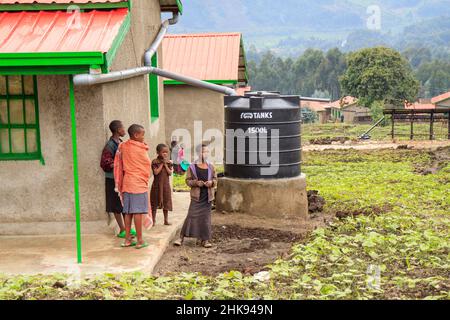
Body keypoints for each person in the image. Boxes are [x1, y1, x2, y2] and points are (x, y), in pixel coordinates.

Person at [114, 124, 151, 249]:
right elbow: (146, 164)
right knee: (138, 212)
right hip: (138, 183)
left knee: (128, 212)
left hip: (127, 183)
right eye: (142, 135)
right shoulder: (140, 148)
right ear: (136, 135)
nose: (143, 137)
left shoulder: (123, 146)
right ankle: (140, 240)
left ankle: (127, 239)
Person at [174, 144, 217, 248]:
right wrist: (196, 183)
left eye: (207, 151)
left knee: (205, 219)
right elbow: (187, 181)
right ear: (198, 153)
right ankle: (181, 237)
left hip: (207, 197)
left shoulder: (211, 166)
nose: (205, 154)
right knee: (191, 216)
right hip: (196, 197)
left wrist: (211, 183)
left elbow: (215, 179)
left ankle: (205, 240)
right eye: (203, 151)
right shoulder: (192, 167)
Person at [100, 120, 136, 238]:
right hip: (112, 179)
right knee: (116, 205)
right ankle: (122, 229)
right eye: (122, 128)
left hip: (120, 178)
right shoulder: (110, 145)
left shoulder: (120, 142)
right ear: (117, 130)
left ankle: (127, 228)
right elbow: (105, 163)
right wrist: (119, 163)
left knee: (123, 204)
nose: (124, 130)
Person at [150, 144, 173, 225]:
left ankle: (166, 220)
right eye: (163, 152)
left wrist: (166, 164)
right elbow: (156, 172)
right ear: (158, 152)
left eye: (166, 152)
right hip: (157, 186)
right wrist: (162, 164)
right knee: (154, 203)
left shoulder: (169, 163)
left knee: (166, 203)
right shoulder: (155, 162)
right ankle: (153, 220)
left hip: (166, 186)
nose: (165, 154)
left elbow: (170, 173)